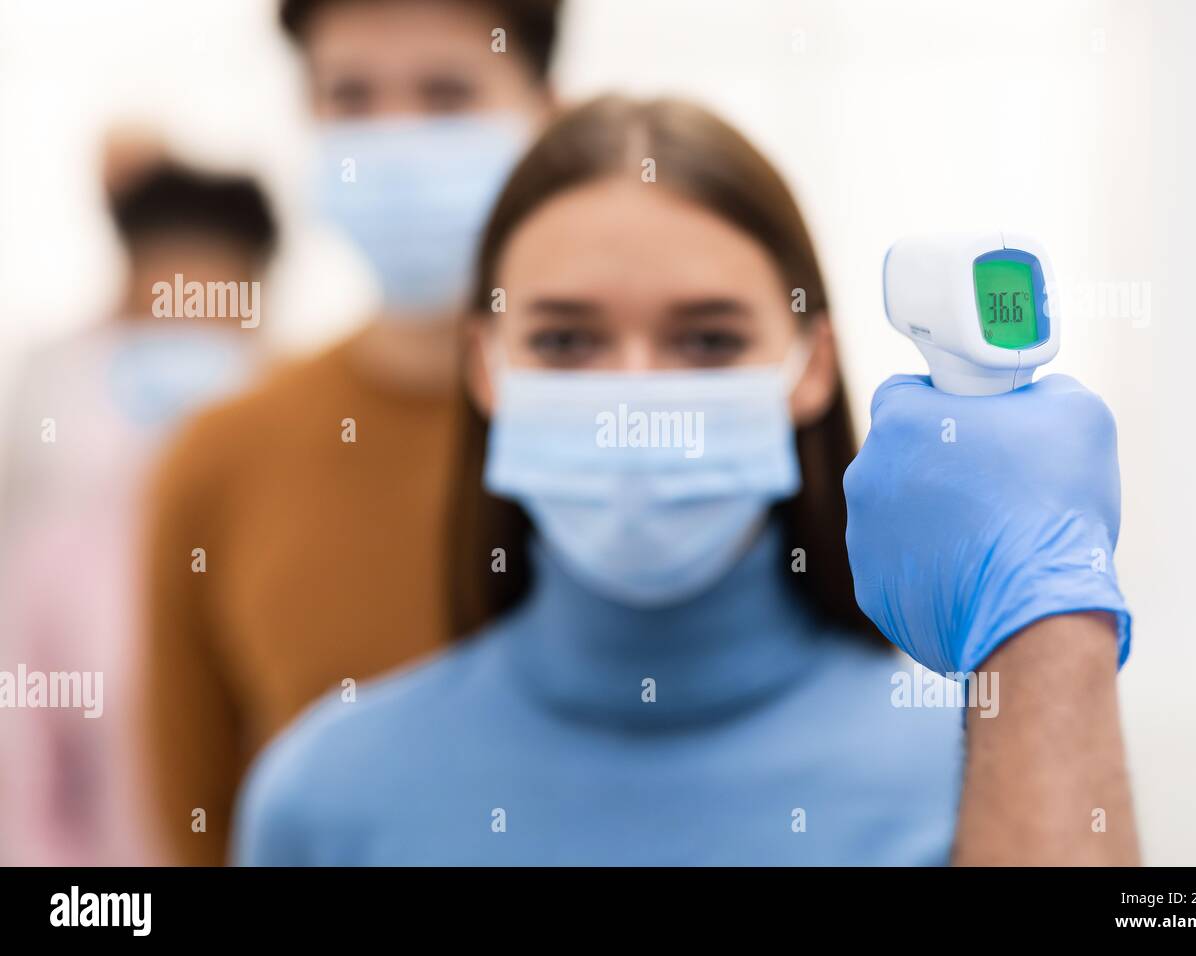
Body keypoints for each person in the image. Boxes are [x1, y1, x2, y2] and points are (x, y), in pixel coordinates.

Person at [234, 95, 978, 865]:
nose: (636, 400)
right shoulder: (325, 799)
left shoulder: (969, 778)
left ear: (811, 366)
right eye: (564, 340)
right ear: (485, 365)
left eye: (709, 340)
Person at [140, 0, 562, 865]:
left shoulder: (635, 440)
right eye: (352, 97)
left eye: (447, 95)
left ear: (544, 114)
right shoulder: (219, 454)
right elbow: (194, 823)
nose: (396, 141)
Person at [0, 155, 276, 866]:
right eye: (157, 313)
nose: (181, 338)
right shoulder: (56, 558)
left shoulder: (307, 524)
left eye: (206, 313)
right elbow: (27, 801)